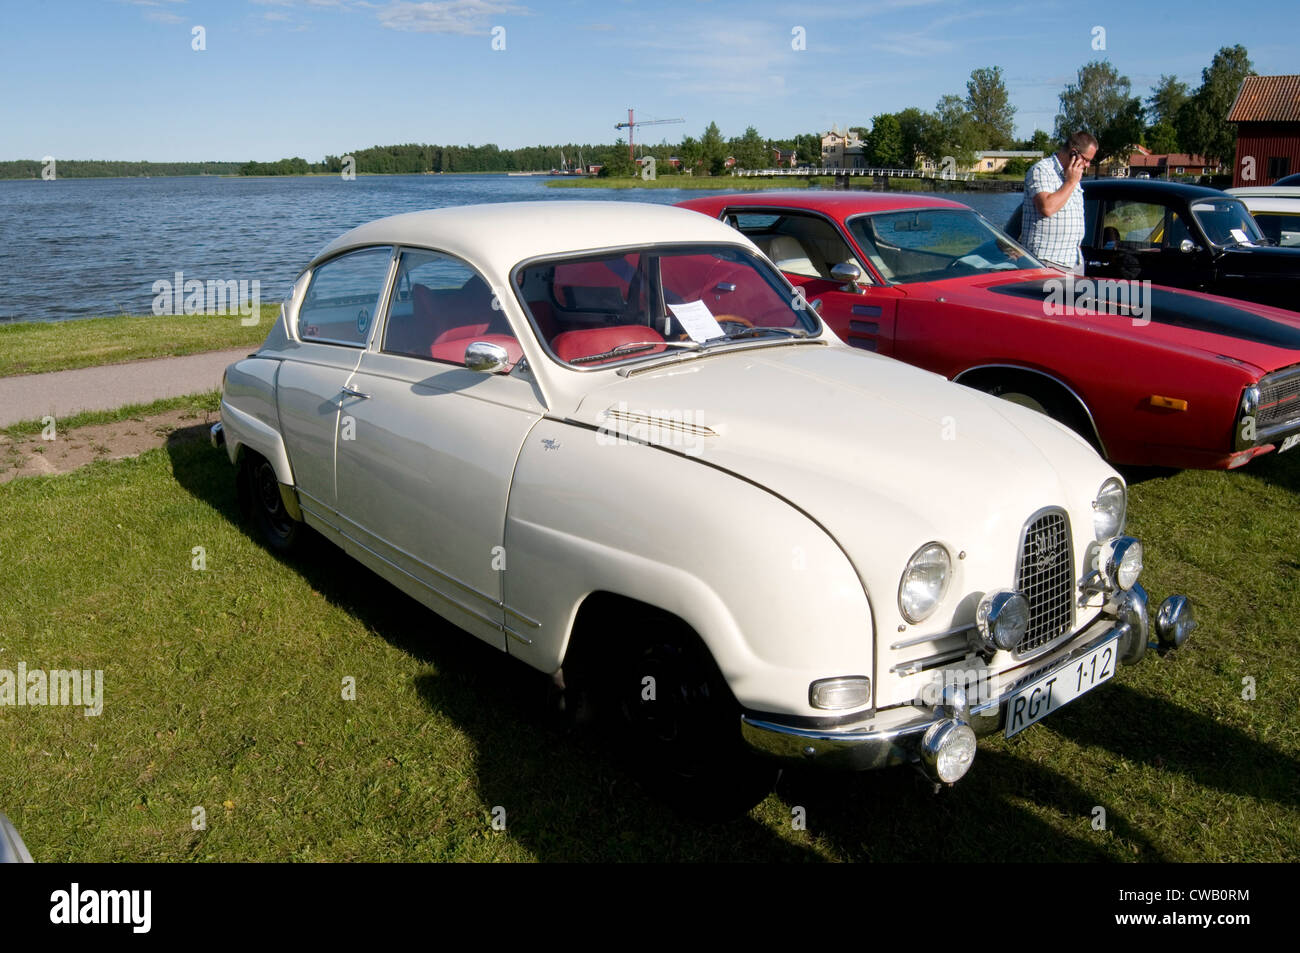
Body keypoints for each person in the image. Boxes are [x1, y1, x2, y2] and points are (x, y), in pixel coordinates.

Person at [1020, 131, 1098, 271]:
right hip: (1048, 260)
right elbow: (1047, 207)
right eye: (1086, 159)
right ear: (1074, 153)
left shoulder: (1073, 173)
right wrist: (1071, 182)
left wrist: (1072, 181)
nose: (1087, 165)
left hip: (1073, 259)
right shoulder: (1042, 170)